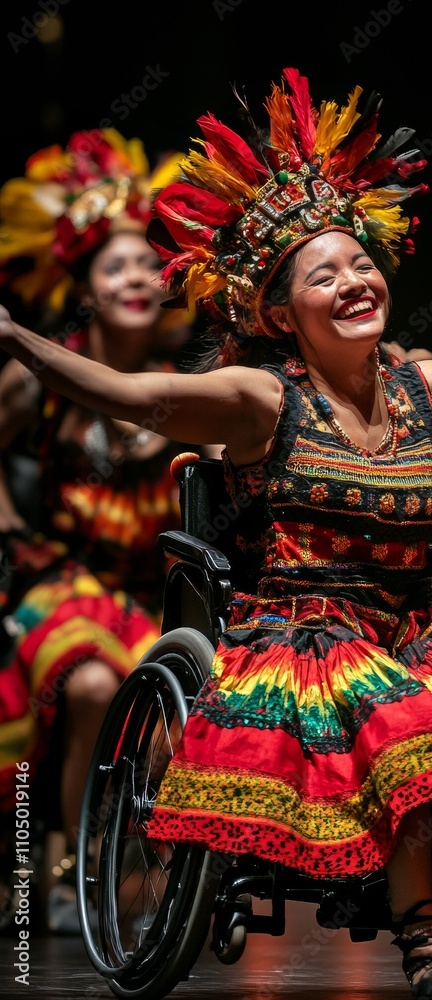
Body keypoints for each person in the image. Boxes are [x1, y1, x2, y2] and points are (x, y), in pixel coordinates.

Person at [1, 68, 432, 998]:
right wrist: (17, 340)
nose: (354, 279)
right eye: (323, 274)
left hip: (414, 624)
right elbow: (142, 395)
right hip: (300, 637)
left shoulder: (427, 386)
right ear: (282, 314)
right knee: (397, 714)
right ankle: (422, 938)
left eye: (360, 263)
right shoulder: (264, 398)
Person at [0, 127, 199, 933]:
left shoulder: (196, 382)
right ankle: (67, 868)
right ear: (85, 282)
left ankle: (120, 868)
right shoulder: (36, 378)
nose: (137, 276)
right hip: (65, 577)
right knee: (87, 684)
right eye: (116, 263)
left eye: (149, 262)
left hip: (157, 590)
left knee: (164, 725)